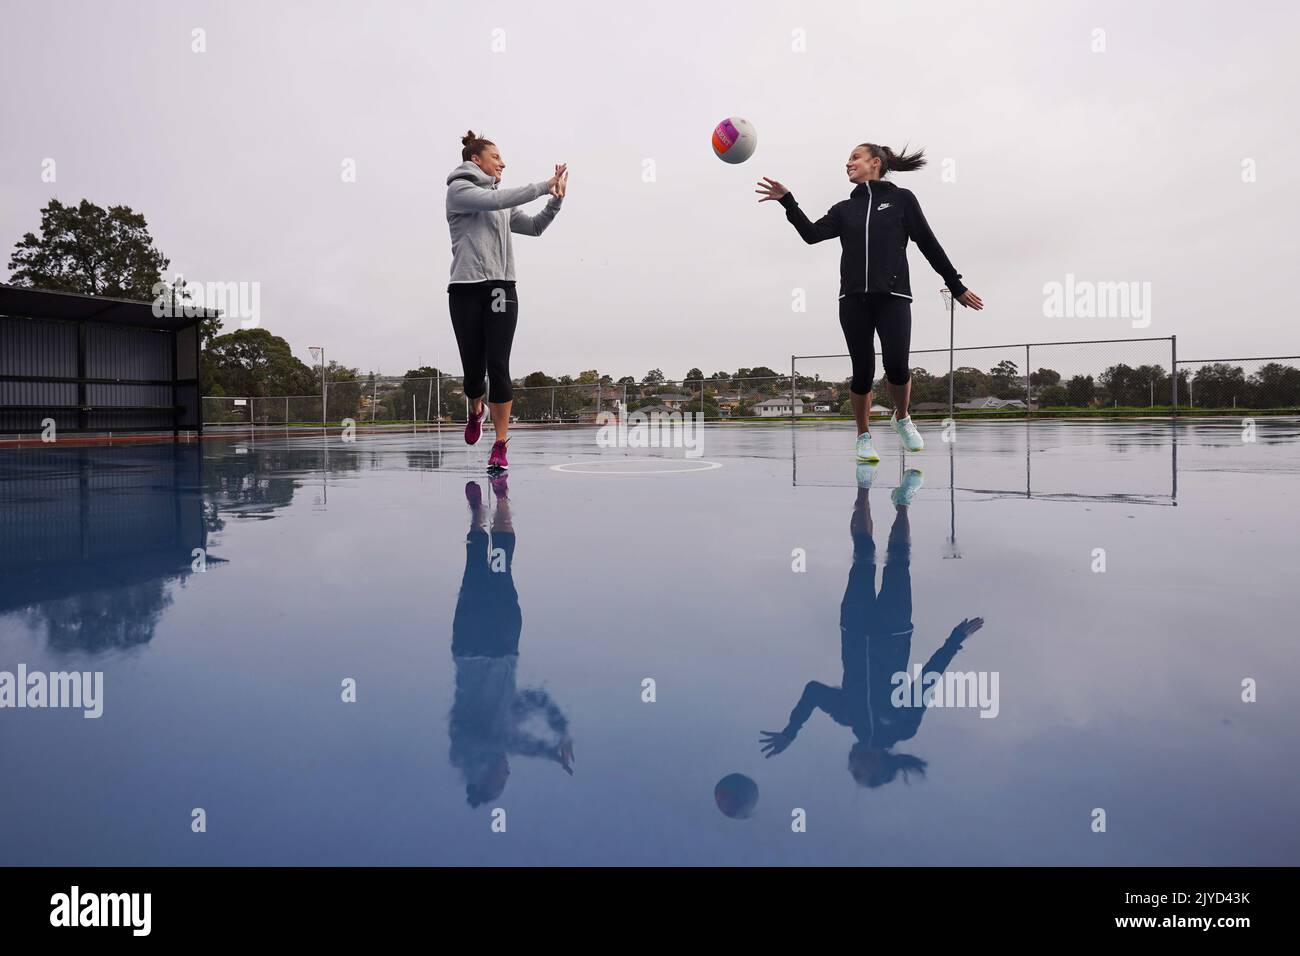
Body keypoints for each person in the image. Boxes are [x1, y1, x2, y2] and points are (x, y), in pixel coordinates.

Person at [757, 143, 984, 462]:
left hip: (894, 298)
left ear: (875, 163)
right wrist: (788, 201)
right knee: (862, 372)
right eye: (848, 158)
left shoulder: (902, 200)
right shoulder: (843, 210)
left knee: (896, 366)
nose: (847, 163)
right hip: (853, 300)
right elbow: (811, 234)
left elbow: (929, 244)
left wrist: (955, 285)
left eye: (855, 157)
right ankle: (863, 436)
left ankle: (902, 416)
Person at [760, 477, 984, 789]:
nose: (851, 767)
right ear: (878, 765)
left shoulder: (847, 717)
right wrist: (955, 640)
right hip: (894, 629)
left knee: (863, 553)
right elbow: (928, 680)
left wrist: (791, 730)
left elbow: (812, 691)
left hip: (855, 625)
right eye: (859, 773)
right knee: (897, 561)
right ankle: (902, 504)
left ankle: (863, 489)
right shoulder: (904, 727)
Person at [446, 130, 568, 472]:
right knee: (474, 374)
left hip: (501, 289)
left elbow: (534, 227)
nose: (503, 163)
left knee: (498, 365)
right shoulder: (459, 191)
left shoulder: (502, 200)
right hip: (465, 289)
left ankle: (500, 444)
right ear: (476, 161)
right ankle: (475, 410)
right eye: (496, 157)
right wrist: (543, 184)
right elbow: (494, 202)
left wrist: (554, 200)